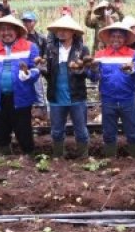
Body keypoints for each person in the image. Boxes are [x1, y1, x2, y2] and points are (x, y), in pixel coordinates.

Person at [0, 15, 40, 155]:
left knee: (23, 130)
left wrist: (27, 74)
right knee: (0, 131)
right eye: (3, 29)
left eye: (10, 29)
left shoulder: (29, 47)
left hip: (21, 98)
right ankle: (3, 158)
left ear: (17, 30)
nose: (6, 32)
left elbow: (36, 69)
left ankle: (28, 156)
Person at [40, 14, 94, 158]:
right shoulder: (50, 50)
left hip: (76, 97)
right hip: (56, 97)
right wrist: (42, 69)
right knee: (57, 131)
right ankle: (58, 157)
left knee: (81, 130)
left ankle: (83, 157)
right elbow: (48, 73)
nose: (62, 32)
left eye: (66, 29)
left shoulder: (82, 50)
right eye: (59, 29)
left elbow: (88, 73)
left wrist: (81, 70)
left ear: (73, 32)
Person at [94, 22, 135, 158]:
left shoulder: (134, 55)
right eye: (113, 36)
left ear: (125, 39)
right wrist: (90, 69)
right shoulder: (100, 55)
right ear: (108, 38)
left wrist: (132, 71)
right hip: (108, 99)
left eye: (120, 37)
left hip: (127, 99)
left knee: (133, 133)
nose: (116, 39)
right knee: (109, 134)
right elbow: (93, 77)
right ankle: (111, 161)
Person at [21, 11, 48, 113]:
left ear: (34, 22)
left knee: (39, 91)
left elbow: (46, 51)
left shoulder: (41, 38)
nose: (26, 23)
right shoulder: (21, 37)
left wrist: (42, 60)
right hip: (23, 67)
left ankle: (42, 112)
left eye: (28, 21)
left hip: (37, 67)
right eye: (24, 21)